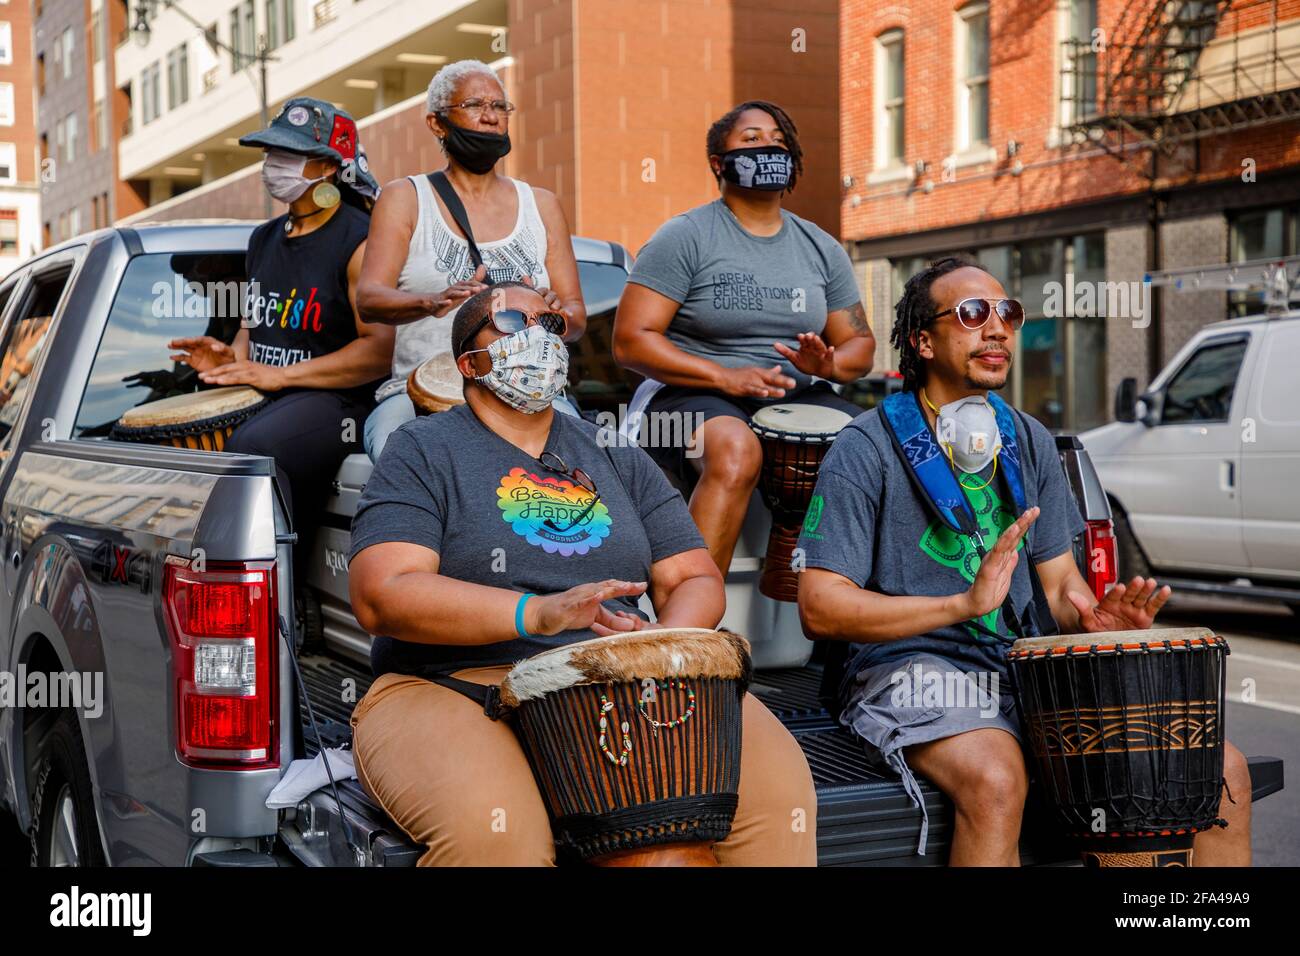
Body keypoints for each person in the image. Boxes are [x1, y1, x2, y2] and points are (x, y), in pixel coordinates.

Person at [795, 256, 1252, 866]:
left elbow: (1061, 583)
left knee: (1222, 770)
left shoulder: (1029, 438)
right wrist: (960, 605)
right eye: (973, 313)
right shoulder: (865, 447)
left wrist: (1091, 618)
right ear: (922, 341)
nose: (998, 329)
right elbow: (820, 607)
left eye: (1008, 313)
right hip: (905, 668)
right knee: (996, 778)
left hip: (1019, 670)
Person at [346, 281, 817, 866]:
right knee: (497, 840)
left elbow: (694, 578)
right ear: (469, 361)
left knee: (774, 812)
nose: (540, 334)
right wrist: (536, 613)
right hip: (451, 682)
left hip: (617, 673)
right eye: (516, 320)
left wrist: (658, 644)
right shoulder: (422, 449)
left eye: (551, 322)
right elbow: (383, 593)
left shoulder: (614, 453)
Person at [613, 100, 875, 575]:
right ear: (719, 162)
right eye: (751, 138)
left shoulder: (820, 247)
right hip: (689, 393)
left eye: (778, 138)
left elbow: (861, 348)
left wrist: (829, 366)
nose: (768, 146)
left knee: (874, 447)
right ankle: (692, 621)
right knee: (736, 448)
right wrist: (724, 377)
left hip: (797, 395)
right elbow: (631, 340)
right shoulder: (686, 236)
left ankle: (847, 624)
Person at [168, 98, 393, 569]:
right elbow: (255, 327)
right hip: (279, 394)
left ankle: (281, 596)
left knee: (257, 449)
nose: (274, 165)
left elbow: (378, 352)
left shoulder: (362, 240)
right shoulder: (263, 239)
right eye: (271, 153)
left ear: (329, 167)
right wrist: (226, 360)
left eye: (289, 155)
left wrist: (281, 377)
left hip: (338, 399)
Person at [356, 59, 586, 461]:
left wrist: (550, 314)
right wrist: (431, 302)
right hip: (420, 390)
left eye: (500, 107)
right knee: (399, 465)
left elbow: (577, 316)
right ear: (437, 123)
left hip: (532, 392)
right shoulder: (406, 198)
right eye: (475, 105)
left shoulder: (542, 204)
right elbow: (370, 298)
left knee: (581, 470)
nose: (490, 117)